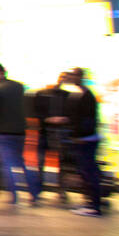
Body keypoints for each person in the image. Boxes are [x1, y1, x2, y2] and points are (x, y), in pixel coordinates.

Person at [0, 61, 40, 205]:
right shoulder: (18, 86)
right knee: (21, 161)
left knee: (7, 164)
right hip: (20, 130)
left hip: (1, 131)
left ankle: (13, 195)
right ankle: (34, 193)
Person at [63, 67, 103, 216]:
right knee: (85, 172)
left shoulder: (85, 95)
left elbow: (87, 119)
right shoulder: (81, 93)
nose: (70, 77)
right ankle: (90, 203)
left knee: (88, 172)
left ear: (80, 77)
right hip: (84, 137)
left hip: (86, 139)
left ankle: (94, 206)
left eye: (73, 75)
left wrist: (80, 136)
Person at [33, 72, 72, 205]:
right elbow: (36, 111)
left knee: (61, 163)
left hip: (60, 131)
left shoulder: (67, 95)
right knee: (41, 162)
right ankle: (38, 190)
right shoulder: (41, 94)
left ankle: (61, 191)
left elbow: (71, 113)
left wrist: (64, 119)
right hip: (45, 131)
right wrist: (47, 119)